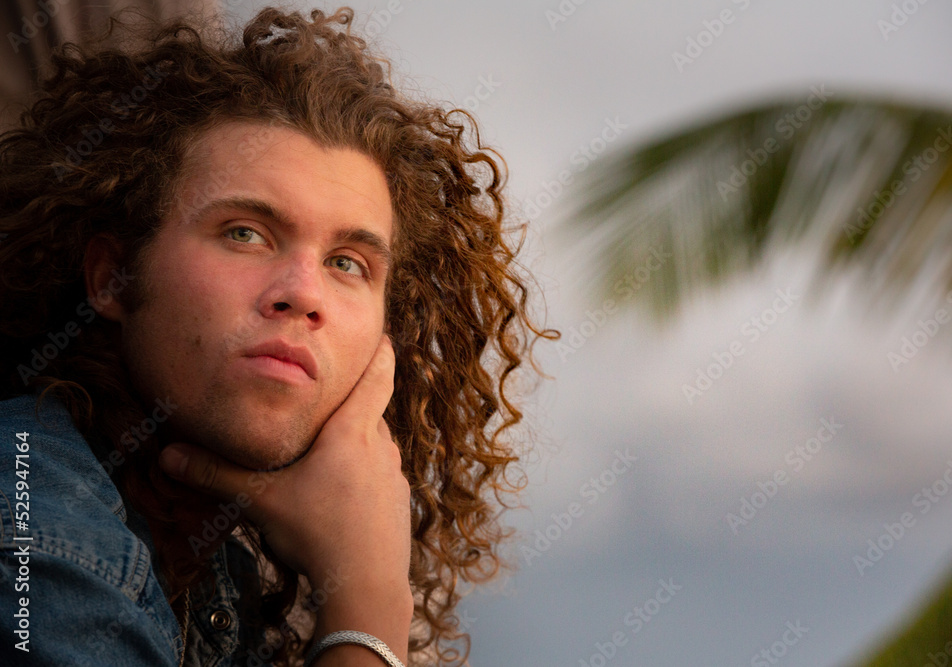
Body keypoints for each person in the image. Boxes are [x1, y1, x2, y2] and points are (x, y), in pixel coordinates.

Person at [0, 6, 552, 666]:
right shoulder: (35, 520)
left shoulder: (214, 562)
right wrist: (368, 598)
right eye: (246, 234)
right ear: (112, 279)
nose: (304, 293)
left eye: (348, 263)